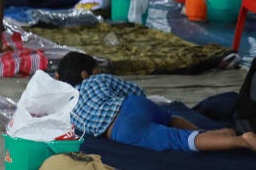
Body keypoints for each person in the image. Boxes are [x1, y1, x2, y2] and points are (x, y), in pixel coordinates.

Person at [57, 51, 256, 153]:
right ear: (85, 75)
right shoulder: (97, 80)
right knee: (170, 119)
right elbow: (137, 91)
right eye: (96, 70)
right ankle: (212, 133)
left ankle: (243, 141)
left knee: (182, 141)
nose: (99, 72)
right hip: (132, 104)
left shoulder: (68, 109)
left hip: (123, 129)